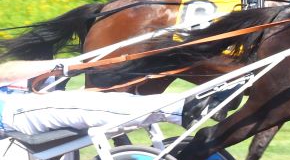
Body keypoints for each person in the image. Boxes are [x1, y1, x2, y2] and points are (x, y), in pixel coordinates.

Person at [0, 59, 193, 137]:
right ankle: (178, 108)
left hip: (20, 105)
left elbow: (9, 71)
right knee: (82, 105)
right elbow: (6, 71)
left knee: (90, 100)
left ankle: (179, 107)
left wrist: (68, 66)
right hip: (11, 112)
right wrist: (67, 65)